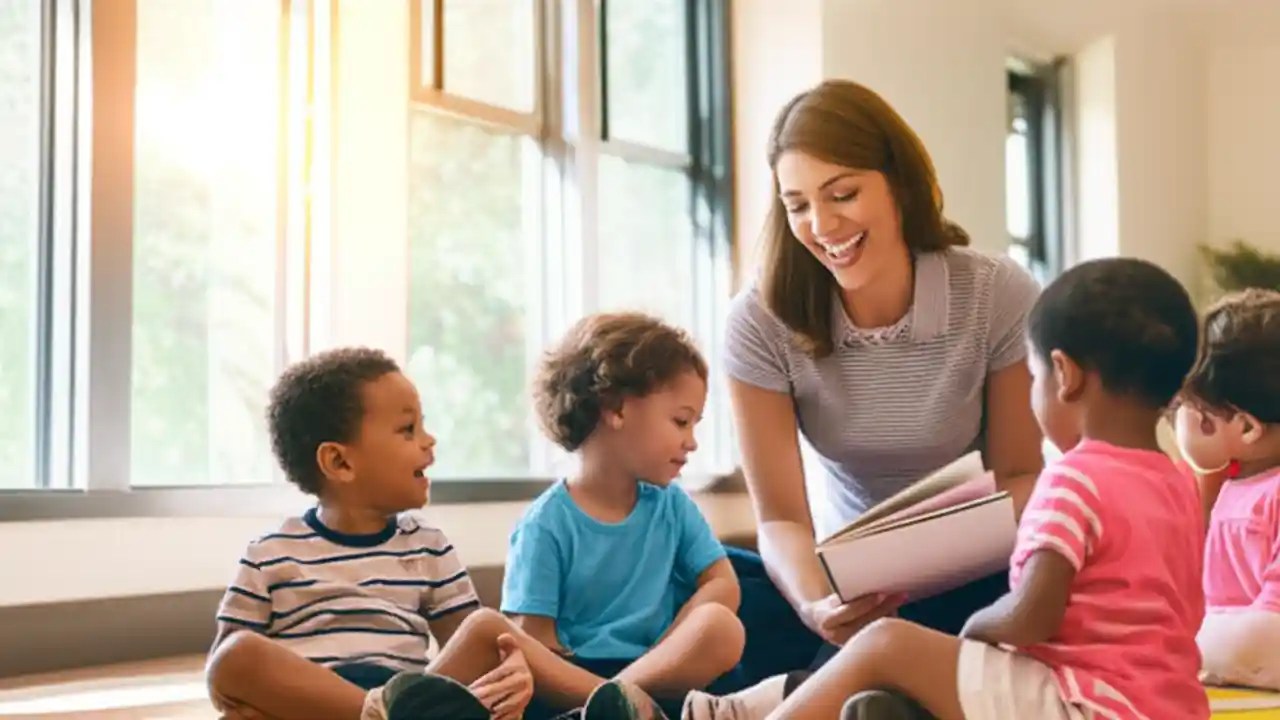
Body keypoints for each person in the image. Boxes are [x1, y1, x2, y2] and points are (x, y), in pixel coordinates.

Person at [588, 257, 1210, 720]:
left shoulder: (1074, 477)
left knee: (887, 639)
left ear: (1066, 376)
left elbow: (1032, 616)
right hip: (1165, 705)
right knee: (885, 660)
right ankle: (728, 711)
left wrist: (978, 629)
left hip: (1083, 701)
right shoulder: (1179, 483)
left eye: (1037, 375)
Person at [721, 78, 1044, 682]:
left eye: (842, 193)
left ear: (899, 182)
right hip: (851, 588)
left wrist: (935, 551)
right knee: (732, 587)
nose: (821, 225)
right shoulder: (759, 322)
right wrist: (816, 604)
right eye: (797, 205)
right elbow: (782, 520)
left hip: (982, 574)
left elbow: (1023, 478)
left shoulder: (994, 294)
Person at [205, 348, 636, 720]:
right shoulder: (270, 554)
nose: (429, 441)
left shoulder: (427, 545)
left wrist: (510, 672)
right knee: (236, 652)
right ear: (340, 463)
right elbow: (225, 675)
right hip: (316, 703)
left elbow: (470, 645)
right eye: (407, 429)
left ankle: (609, 700)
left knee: (489, 629)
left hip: (412, 696)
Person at [503, 313, 749, 719]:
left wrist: (669, 649)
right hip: (577, 679)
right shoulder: (544, 525)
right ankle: (612, 705)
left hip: (666, 670)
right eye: (680, 420)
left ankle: (622, 702)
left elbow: (723, 585)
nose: (691, 442)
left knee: (720, 626)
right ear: (615, 408)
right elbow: (534, 646)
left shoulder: (672, 505)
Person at [1173, 288, 1280, 691]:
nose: (1175, 420)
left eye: (1185, 408)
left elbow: (1269, 639)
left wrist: (1179, 641)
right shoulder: (1233, 482)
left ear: (1246, 427)